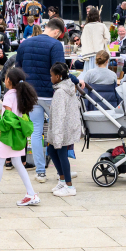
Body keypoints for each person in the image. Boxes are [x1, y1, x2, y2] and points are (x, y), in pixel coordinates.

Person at [0, 66, 40, 207]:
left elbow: (8, 118)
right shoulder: (20, 94)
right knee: (17, 162)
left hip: (9, 135)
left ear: (8, 80)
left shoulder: (9, 96)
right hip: (18, 134)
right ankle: (31, 193)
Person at [16, 17, 67, 182]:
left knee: (36, 132)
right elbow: (60, 70)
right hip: (51, 94)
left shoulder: (24, 44)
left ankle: (40, 171)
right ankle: (62, 169)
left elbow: (18, 69)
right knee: (58, 132)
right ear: (57, 32)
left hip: (31, 94)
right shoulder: (55, 45)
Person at [44, 62, 84, 195]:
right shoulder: (68, 87)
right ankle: (62, 181)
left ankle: (69, 186)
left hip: (63, 128)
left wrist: (57, 134)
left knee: (61, 153)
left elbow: (59, 115)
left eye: (52, 75)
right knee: (52, 149)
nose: (50, 78)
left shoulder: (61, 92)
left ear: (59, 76)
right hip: (67, 126)